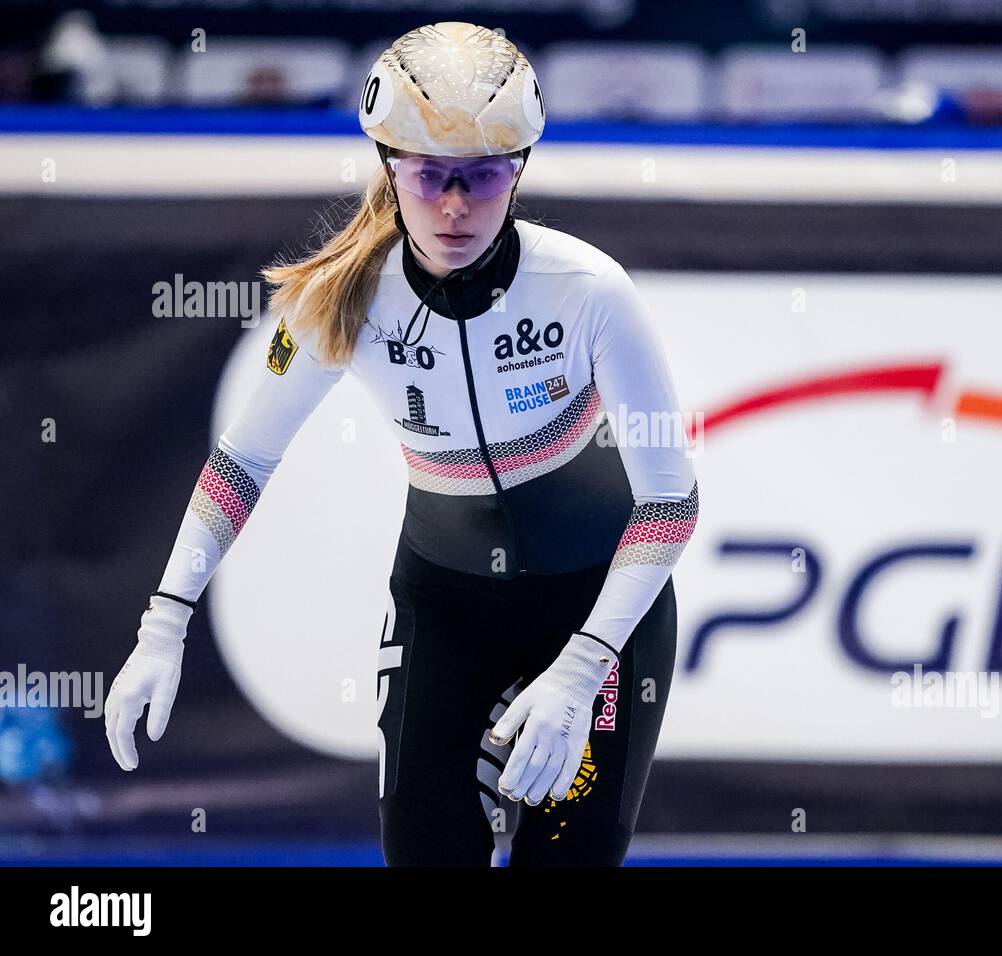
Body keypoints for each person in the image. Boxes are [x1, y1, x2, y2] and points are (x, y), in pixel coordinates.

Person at [102, 21, 699, 866]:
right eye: (429, 176)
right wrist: (162, 622)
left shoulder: (590, 290)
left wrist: (582, 668)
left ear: (519, 171)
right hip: (445, 605)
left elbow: (671, 500)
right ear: (389, 166)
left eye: (482, 177)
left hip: (599, 609)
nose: (454, 206)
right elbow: (241, 463)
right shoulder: (342, 297)